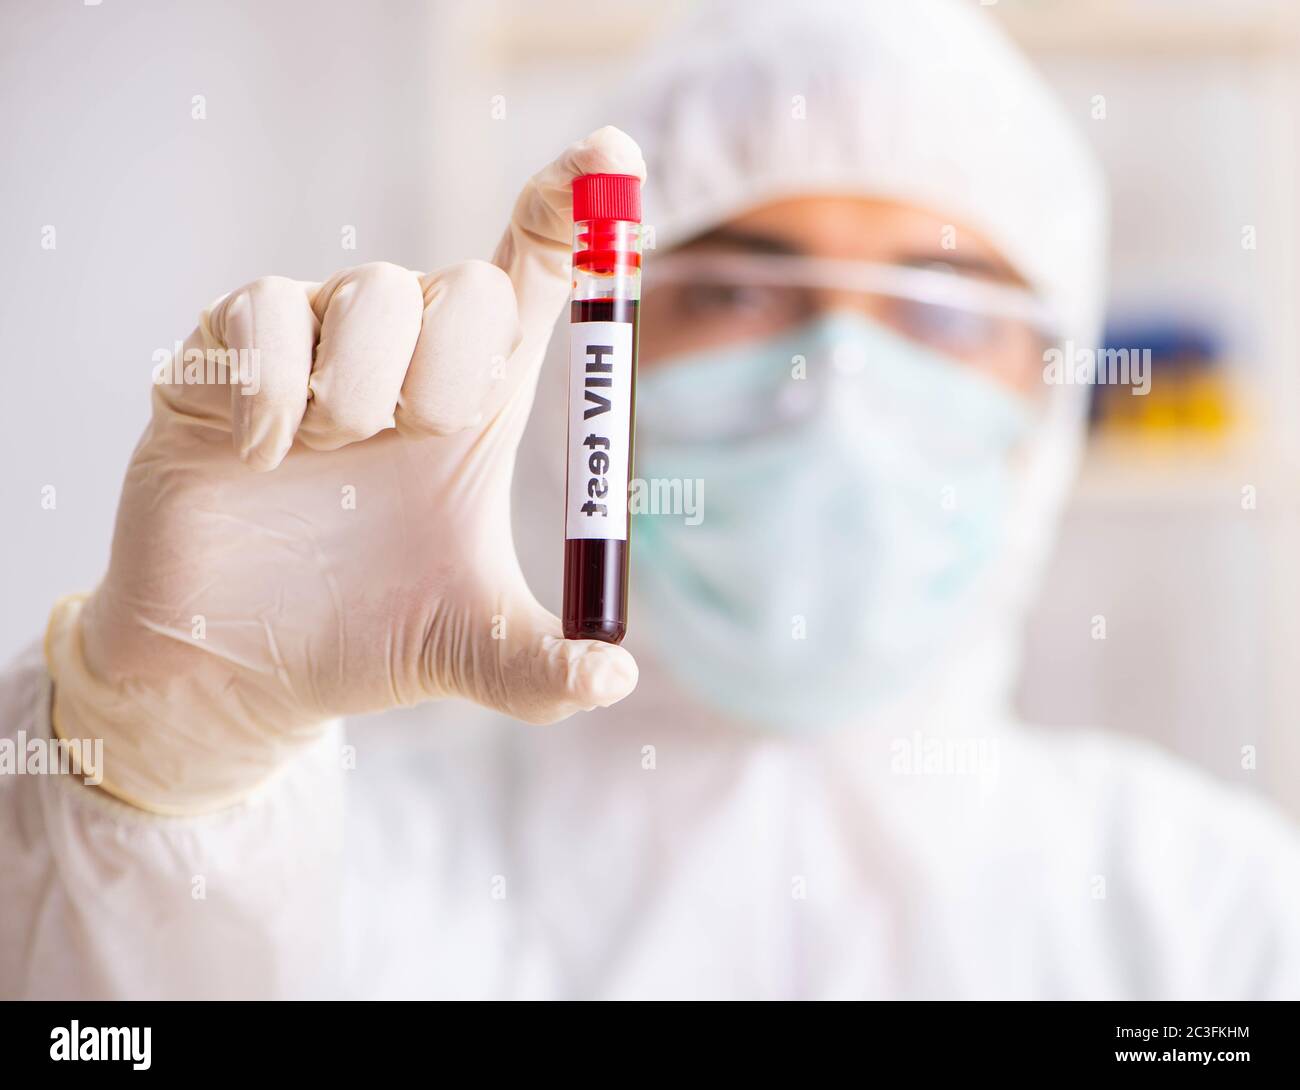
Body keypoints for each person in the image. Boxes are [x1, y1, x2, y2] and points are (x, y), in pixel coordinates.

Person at [2, 0, 1298, 1000]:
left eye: (943, 309)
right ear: (595, 361)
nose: (834, 384)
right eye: (738, 290)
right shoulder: (337, 859)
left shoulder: (1213, 912)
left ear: (1047, 396)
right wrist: (159, 773)